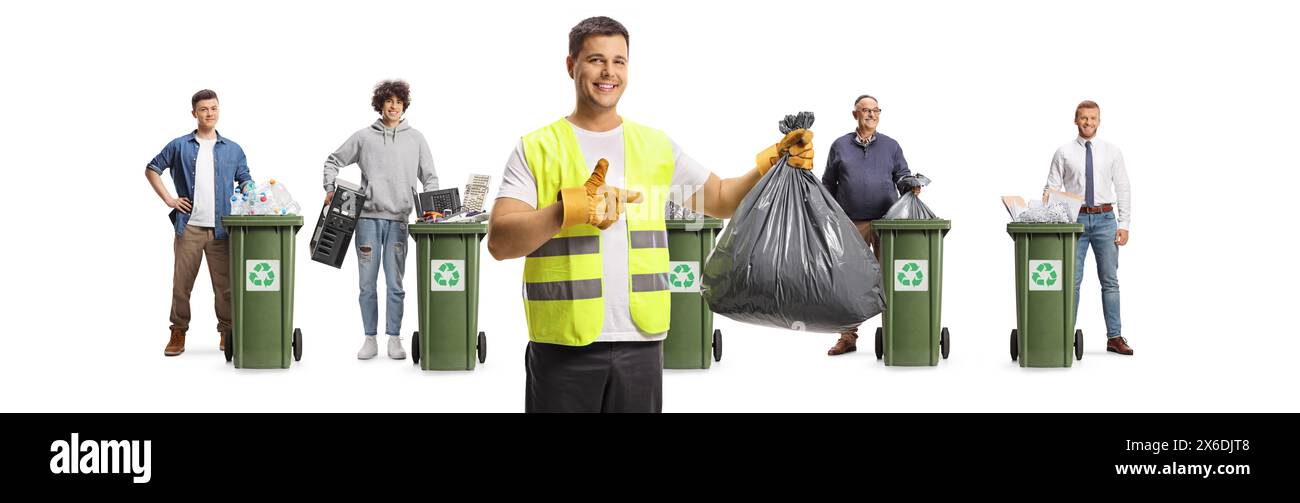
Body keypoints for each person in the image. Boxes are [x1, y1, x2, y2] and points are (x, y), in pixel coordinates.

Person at [487, 16, 813, 412]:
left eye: (619, 61)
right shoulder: (536, 148)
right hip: (562, 345)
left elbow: (723, 198)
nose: (609, 72)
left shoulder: (654, 146)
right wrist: (567, 209)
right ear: (571, 65)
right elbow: (500, 242)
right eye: (595, 59)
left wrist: (773, 163)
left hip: (641, 343)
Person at [322, 80, 440, 360]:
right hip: (367, 220)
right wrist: (330, 188)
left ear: (404, 105)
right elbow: (333, 160)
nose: (394, 107)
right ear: (381, 105)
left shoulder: (416, 138)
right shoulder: (364, 137)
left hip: (399, 220)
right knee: (367, 283)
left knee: (396, 284)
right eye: (389, 101)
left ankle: (394, 338)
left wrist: (431, 209)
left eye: (399, 102)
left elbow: (430, 177)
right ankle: (370, 338)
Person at [145, 89, 254, 357]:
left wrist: (253, 194)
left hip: (222, 230)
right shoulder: (179, 145)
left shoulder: (233, 149)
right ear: (194, 113)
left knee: (226, 286)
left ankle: (227, 332)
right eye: (204, 109)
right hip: (189, 227)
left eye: (214, 108)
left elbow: (245, 179)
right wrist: (170, 200)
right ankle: (178, 331)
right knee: (182, 285)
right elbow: (152, 168)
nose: (210, 113)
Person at [820, 94, 917, 356]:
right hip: (851, 224)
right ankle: (848, 337)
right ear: (855, 115)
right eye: (866, 110)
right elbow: (828, 185)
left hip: (887, 224)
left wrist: (911, 184)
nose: (872, 115)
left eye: (876, 111)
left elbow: (902, 176)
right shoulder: (840, 146)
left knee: (891, 277)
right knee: (850, 281)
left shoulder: (891, 146)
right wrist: (828, 216)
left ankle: (897, 330)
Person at [1044, 100, 1133, 355]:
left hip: (1106, 219)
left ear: (1099, 121)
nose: (1088, 123)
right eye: (1084, 118)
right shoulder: (1063, 152)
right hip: (1076, 222)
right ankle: (1064, 336)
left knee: (1110, 281)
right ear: (1076, 120)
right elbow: (1051, 188)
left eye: (1093, 118)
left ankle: (1114, 337)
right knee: (1071, 281)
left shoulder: (1112, 152)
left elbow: (1123, 187)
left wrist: (1124, 224)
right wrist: (1050, 219)